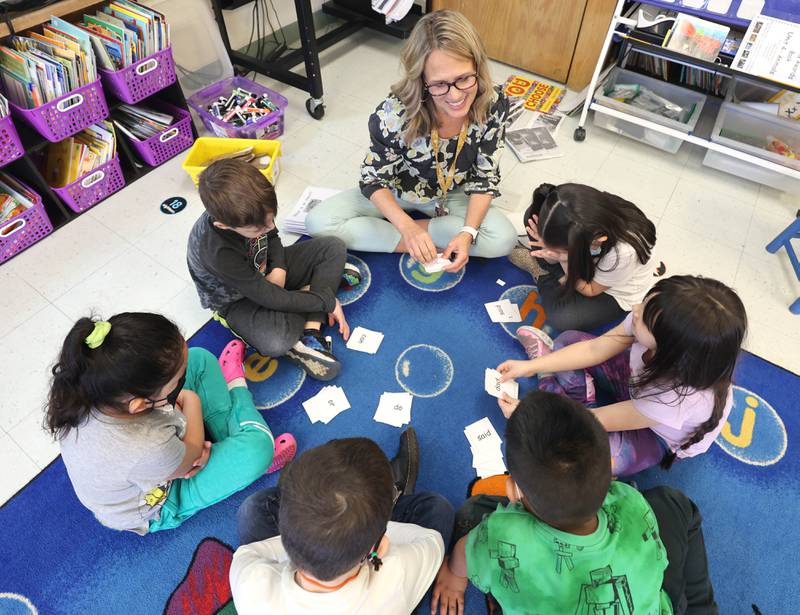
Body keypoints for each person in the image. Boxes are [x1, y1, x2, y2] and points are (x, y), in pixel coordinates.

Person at [432, 391, 719, 615]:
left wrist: (454, 577)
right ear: (611, 468)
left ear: (514, 489)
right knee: (672, 501)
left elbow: (465, 553)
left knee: (474, 512)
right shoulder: (632, 503)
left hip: (543, 590)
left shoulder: (501, 533)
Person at [305, 9, 520, 272]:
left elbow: (485, 178)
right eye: (439, 84)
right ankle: (417, 239)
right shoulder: (393, 115)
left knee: (504, 239)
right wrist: (406, 229)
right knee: (318, 222)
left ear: (477, 66)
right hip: (398, 191)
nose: (455, 96)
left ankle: (415, 235)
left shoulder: (494, 103)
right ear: (421, 80)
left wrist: (466, 234)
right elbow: (373, 180)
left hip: (452, 193)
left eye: (464, 78)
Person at [47, 313, 294, 534]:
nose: (183, 378)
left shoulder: (90, 389)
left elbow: (170, 421)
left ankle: (230, 434)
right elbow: (192, 456)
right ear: (140, 404)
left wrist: (179, 403)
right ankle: (237, 391)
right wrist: (191, 400)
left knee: (199, 358)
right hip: (162, 502)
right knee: (258, 449)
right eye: (179, 378)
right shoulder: (148, 446)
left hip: (154, 452)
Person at [497, 275, 747, 477]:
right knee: (567, 341)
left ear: (670, 348)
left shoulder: (676, 398)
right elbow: (595, 348)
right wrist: (528, 366)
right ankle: (552, 380)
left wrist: (529, 413)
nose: (635, 310)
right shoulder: (650, 318)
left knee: (584, 461)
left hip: (654, 433)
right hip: (637, 386)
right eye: (645, 302)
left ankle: (549, 382)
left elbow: (596, 419)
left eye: (644, 318)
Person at [230, 430, 455, 615]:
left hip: (314, 549)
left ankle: (308, 506)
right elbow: (431, 540)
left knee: (253, 509)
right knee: (437, 509)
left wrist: (306, 541)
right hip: (380, 584)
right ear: (379, 547)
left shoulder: (252, 584)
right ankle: (389, 502)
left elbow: (249, 553)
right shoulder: (396, 571)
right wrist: (374, 535)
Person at [188, 158, 355, 381]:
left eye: (271, 219)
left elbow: (273, 237)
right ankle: (313, 301)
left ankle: (310, 320)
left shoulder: (254, 209)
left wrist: (279, 268)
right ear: (223, 225)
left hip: (265, 272)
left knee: (332, 247)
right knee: (276, 341)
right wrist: (327, 301)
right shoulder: (217, 252)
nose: (268, 227)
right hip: (238, 300)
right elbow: (270, 298)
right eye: (258, 228)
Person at [510, 182, 659, 331]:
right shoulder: (583, 210)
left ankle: (542, 274)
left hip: (608, 290)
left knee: (563, 319)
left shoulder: (623, 254)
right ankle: (557, 273)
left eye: (563, 248)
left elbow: (590, 290)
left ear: (597, 241)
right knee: (532, 220)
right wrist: (553, 253)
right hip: (580, 261)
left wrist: (563, 259)